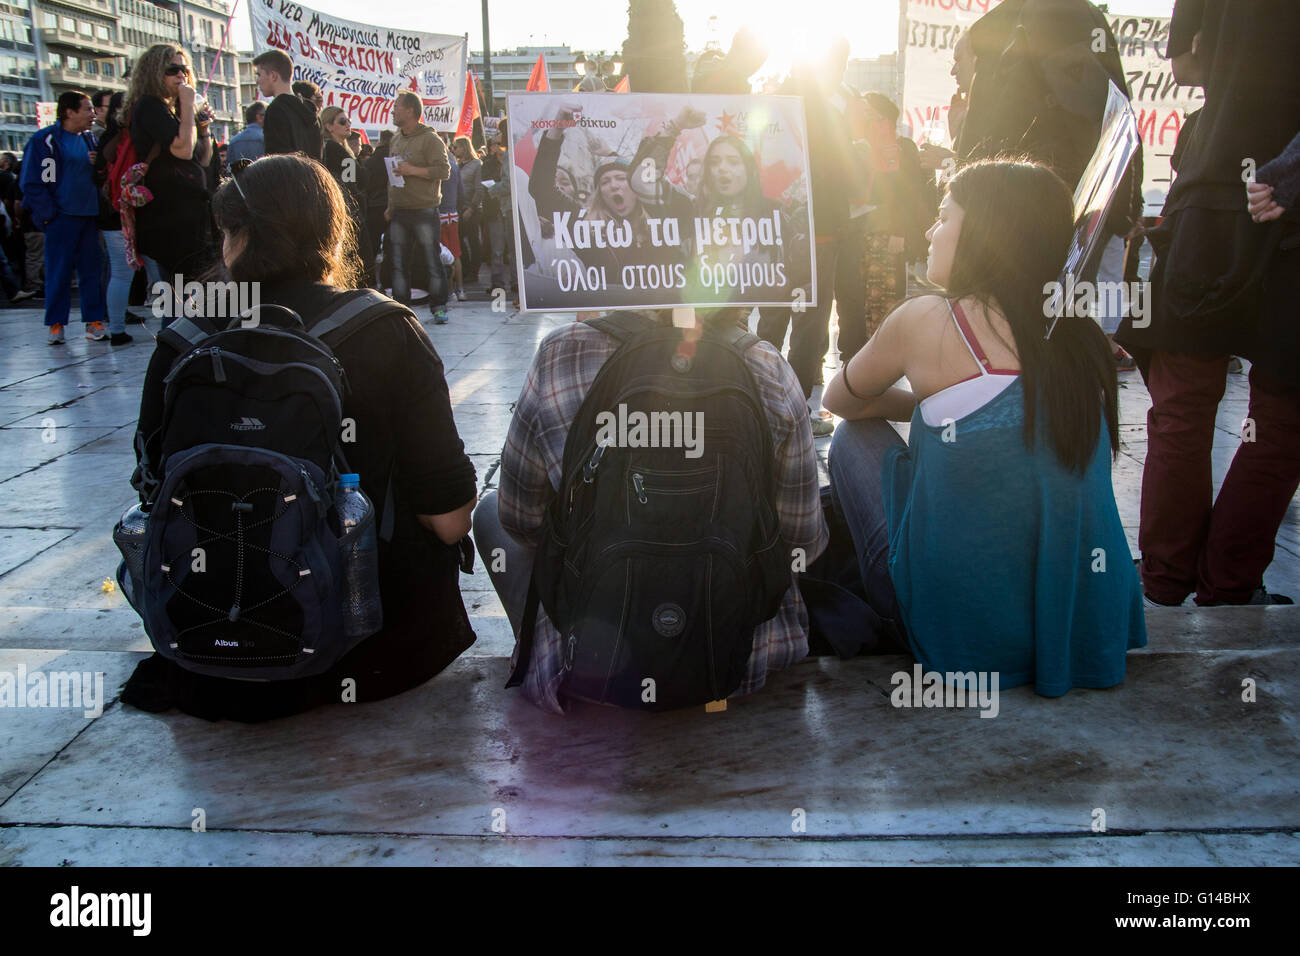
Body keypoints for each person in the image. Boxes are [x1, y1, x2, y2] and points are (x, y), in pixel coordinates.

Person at [122, 154, 479, 721]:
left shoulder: (183, 339)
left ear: (234, 235)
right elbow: (450, 518)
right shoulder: (385, 328)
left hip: (204, 646)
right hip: (374, 656)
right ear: (330, 233)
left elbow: (150, 494)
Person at [823, 159, 1146, 693]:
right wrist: (941, 403)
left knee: (851, 436)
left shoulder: (926, 319)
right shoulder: (1079, 334)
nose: (930, 230)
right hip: (1080, 622)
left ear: (984, 232)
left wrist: (930, 401)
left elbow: (842, 399)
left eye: (945, 216)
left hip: (953, 626)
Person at [474, 308, 828, 714]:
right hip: (745, 664)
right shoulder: (766, 365)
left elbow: (521, 520)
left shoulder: (560, 353)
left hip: (591, 667)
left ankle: (551, 648)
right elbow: (803, 541)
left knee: (488, 513)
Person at [1116, 1, 1300, 607]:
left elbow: (1189, 64)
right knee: (1281, 424)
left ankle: (1166, 579)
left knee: (1182, 406)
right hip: (1286, 209)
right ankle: (1228, 582)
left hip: (1208, 195)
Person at [839, 93, 929, 364]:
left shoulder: (903, 149)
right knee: (852, 299)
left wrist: (902, 233)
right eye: (868, 118)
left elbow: (911, 195)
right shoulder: (858, 149)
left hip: (888, 236)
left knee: (885, 300)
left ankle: (882, 359)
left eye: (879, 118)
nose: (874, 124)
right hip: (856, 235)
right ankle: (852, 357)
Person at [123, 44, 217, 288]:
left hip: (188, 217)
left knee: (188, 295)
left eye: (185, 70)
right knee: (179, 298)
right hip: (167, 220)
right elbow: (183, 150)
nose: (181, 76)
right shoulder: (149, 106)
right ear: (154, 72)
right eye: (173, 70)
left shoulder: (173, 110)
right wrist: (187, 105)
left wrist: (203, 128)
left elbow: (202, 159)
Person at [19, 90, 107, 344]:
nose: (93, 114)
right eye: (87, 109)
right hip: (61, 217)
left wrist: (97, 167)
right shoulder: (45, 140)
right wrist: (49, 215)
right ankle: (56, 324)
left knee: (91, 271)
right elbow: (32, 182)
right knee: (58, 272)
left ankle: (94, 322)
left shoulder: (91, 140)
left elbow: (101, 177)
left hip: (89, 216)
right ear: (69, 112)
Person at [386, 90, 451, 323]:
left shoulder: (430, 139)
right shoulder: (395, 138)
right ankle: (401, 311)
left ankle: (439, 306)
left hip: (424, 209)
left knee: (431, 260)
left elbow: (444, 171)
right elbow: (391, 173)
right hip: (399, 210)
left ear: (410, 111)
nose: (393, 111)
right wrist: (389, 204)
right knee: (398, 262)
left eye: (397, 107)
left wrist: (412, 170)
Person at [91, 91, 133, 345]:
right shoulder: (131, 138)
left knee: (120, 273)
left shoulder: (105, 138)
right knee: (159, 273)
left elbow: (96, 177)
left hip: (110, 214)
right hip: (133, 213)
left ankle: (116, 329)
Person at [319, 105, 371, 281]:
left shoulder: (339, 148)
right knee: (359, 264)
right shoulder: (334, 149)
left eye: (348, 120)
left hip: (347, 213)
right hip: (348, 215)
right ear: (329, 126)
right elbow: (356, 180)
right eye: (342, 121)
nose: (348, 124)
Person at [253, 49, 321, 160]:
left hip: (288, 176)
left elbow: (277, 162)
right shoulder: (311, 110)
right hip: (313, 176)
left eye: (259, 75)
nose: (257, 81)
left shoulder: (276, 110)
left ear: (273, 76)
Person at [451, 135, 482, 284]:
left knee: (473, 240)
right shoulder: (456, 165)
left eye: (456, 147)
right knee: (459, 240)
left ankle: (474, 271)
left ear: (464, 147)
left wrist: (472, 208)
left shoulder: (477, 164)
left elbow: (479, 188)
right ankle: (466, 267)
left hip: (472, 208)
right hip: (458, 208)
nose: (454, 149)